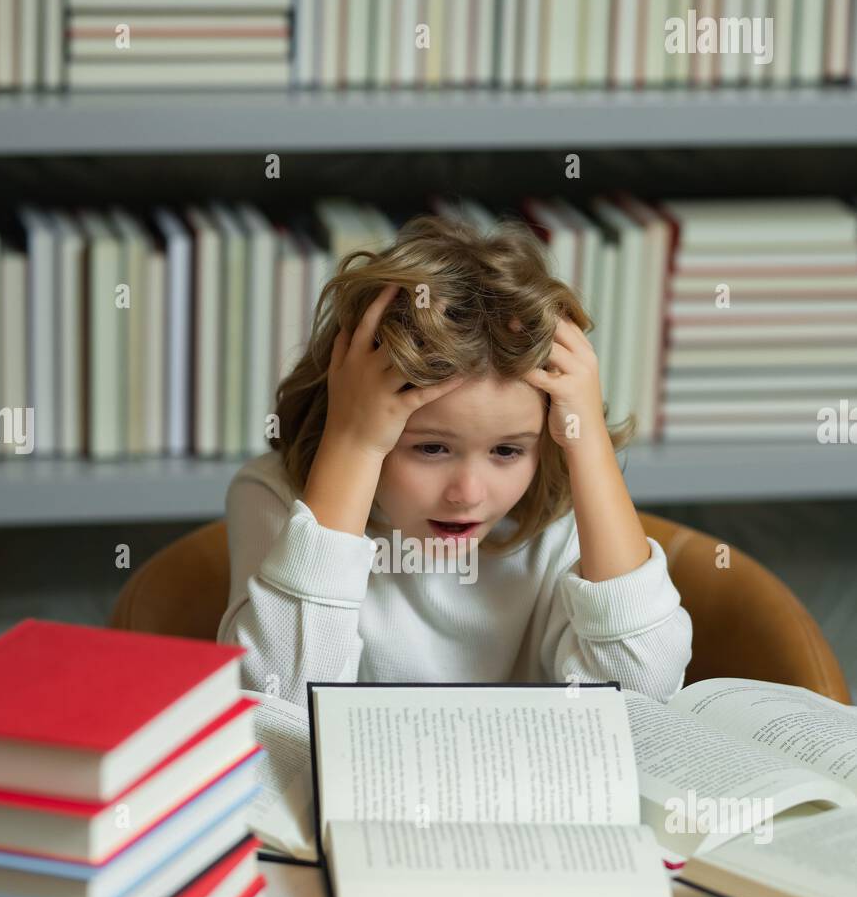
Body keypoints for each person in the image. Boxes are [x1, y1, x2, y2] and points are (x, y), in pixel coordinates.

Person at [218, 213, 692, 706]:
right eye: (431, 448)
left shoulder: (557, 515)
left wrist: (588, 442)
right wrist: (353, 446)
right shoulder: (274, 495)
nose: (468, 493)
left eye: (507, 451)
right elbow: (276, 700)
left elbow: (645, 693)